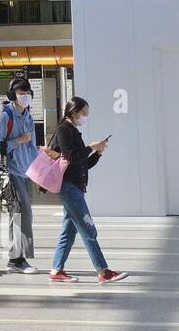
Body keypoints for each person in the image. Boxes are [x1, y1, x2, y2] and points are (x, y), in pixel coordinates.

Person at [46, 97, 127, 284]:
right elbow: (71, 157)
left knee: (69, 230)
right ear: (73, 112)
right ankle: (103, 272)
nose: (85, 117)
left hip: (75, 186)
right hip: (68, 187)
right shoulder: (64, 130)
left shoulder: (73, 131)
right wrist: (90, 147)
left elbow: (82, 164)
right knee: (87, 228)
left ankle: (56, 269)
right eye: (84, 113)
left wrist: (97, 153)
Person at [0, 77, 39, 274]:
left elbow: (32, 147)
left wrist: (38, 171)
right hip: (11, 172)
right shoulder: (6, 117)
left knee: (19, 215)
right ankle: (18, 260)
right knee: (22, 215)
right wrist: (18, 140)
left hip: (25, 172)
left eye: (27, 93)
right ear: (13, 95)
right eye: (21, 93)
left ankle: (15, 259)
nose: (25, 96)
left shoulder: (28, 116)